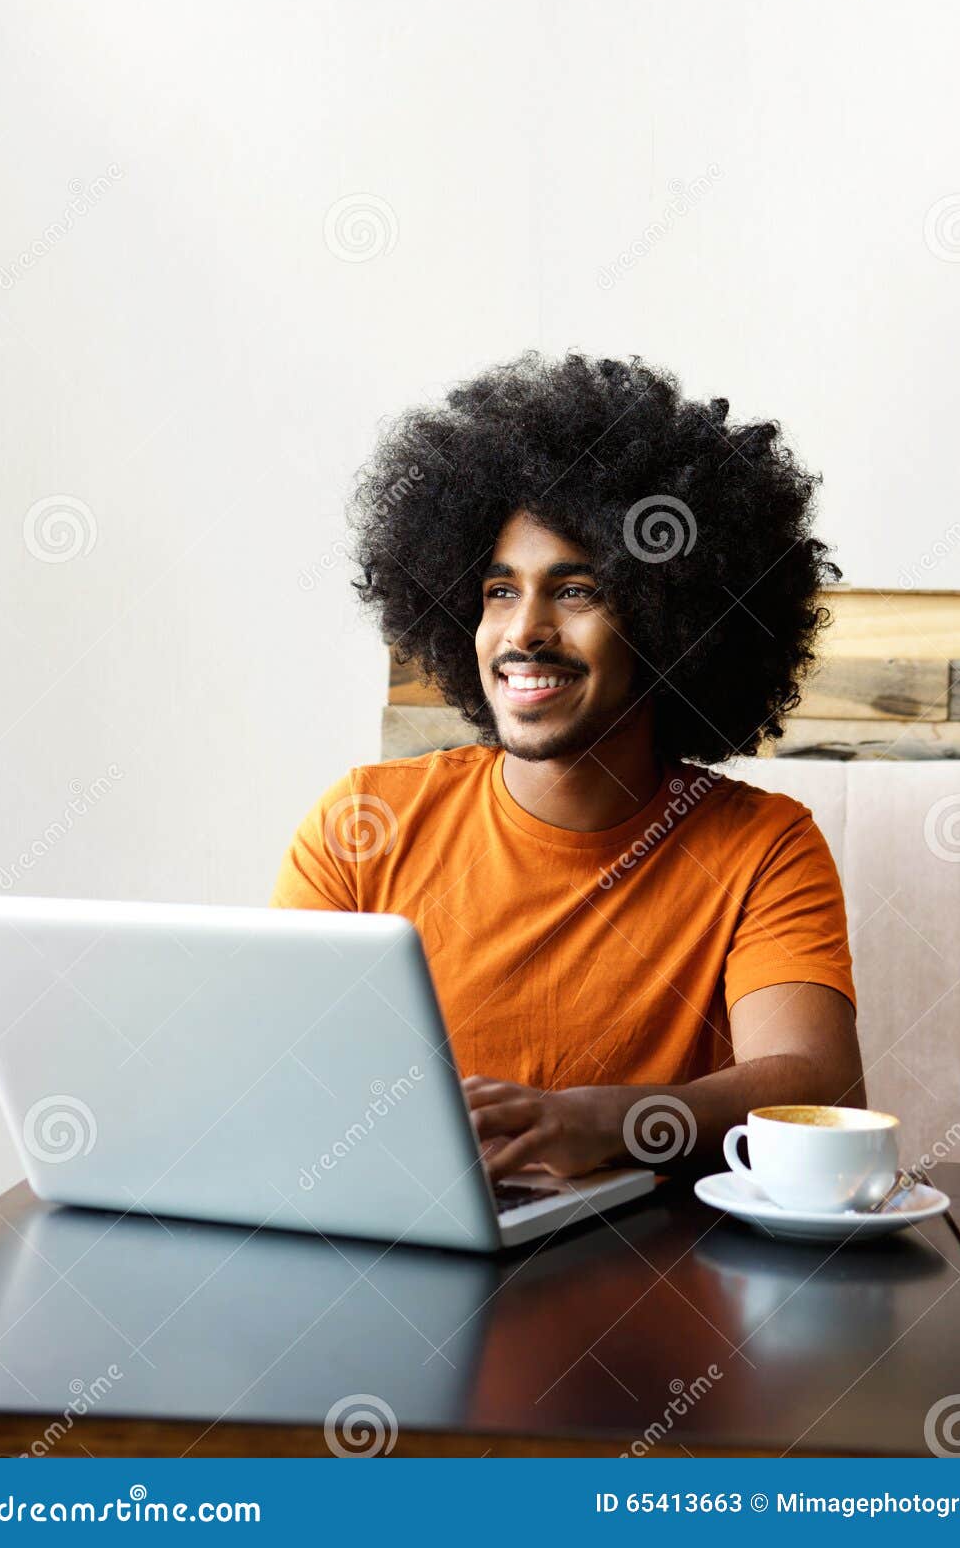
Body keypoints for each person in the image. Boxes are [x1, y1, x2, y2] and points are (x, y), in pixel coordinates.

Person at [271, 350, 867, 1183]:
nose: (524, 633)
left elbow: (816, 1085)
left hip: (661, 1281)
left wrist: (598, 1119)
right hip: (395, 1248)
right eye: (498, 590)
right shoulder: (362, 824)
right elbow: (278, 1072)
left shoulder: (760, 846)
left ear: (671, 622)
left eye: (577, 590)